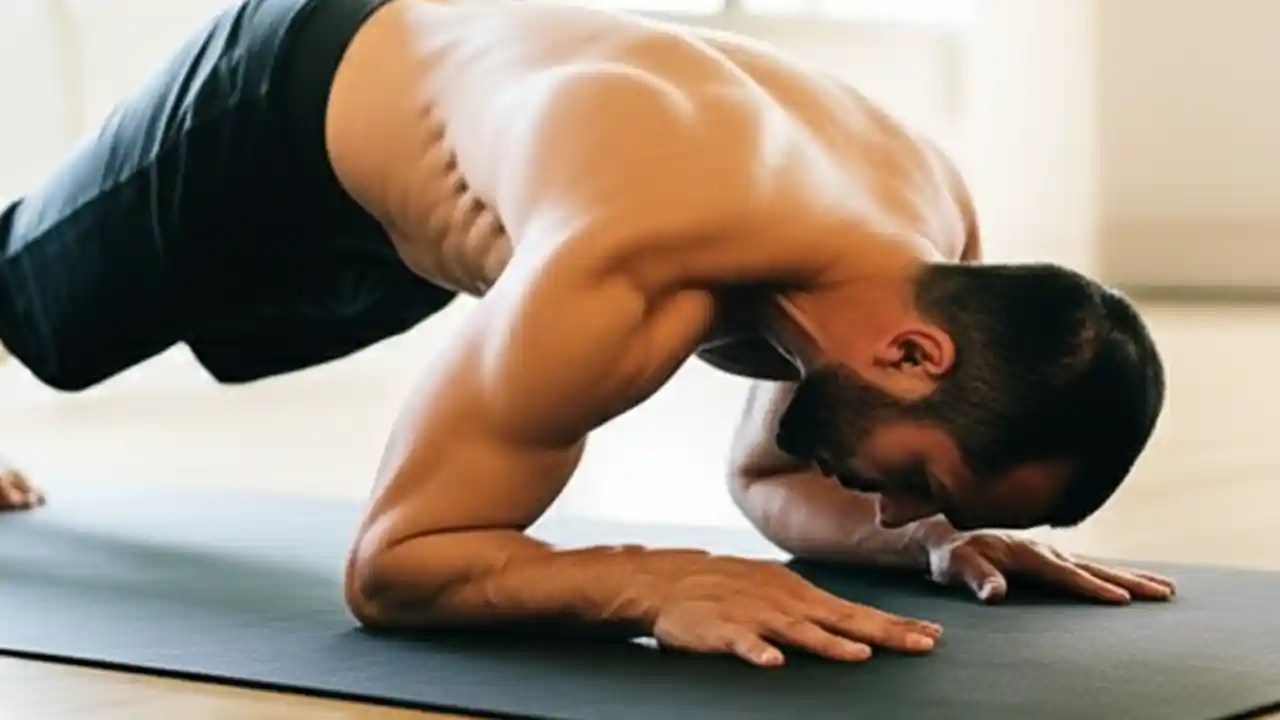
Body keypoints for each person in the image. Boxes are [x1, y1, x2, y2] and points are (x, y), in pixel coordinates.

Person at [0, 0, 1173, 668]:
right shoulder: (633, 268)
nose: (896, 504)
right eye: (918, 484)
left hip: (441, 199)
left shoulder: (914, 246)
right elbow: (394, 566)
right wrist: (645, 581)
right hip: (281, 97)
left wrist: (919, 546)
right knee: (39, 320)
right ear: (915, 357)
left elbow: (764, 476)